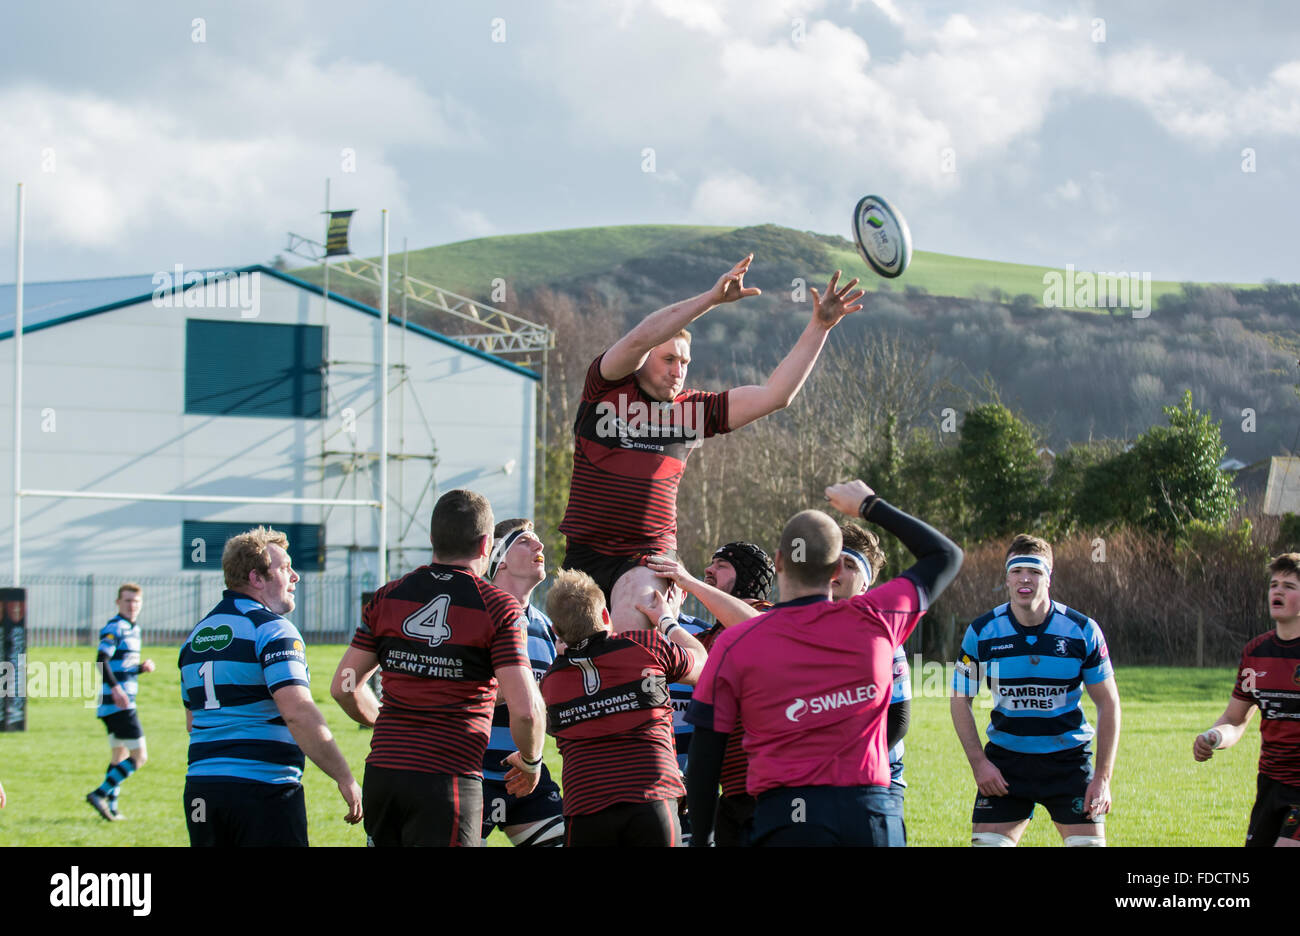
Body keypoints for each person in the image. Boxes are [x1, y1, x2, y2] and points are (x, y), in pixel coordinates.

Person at [560, 255, 865, 633]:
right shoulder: (604, 386)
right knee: (579, 650)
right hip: (586, 552)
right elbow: (641, 337)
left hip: (647, 555)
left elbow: (775, 395)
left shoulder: (693, 410)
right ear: (641, 362)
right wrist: (711, 299)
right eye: (668, 358)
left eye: (685, 362)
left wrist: (820, 326)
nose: (678, 370)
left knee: (631, 628)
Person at [685, 480, 962, 846]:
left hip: (789, 816)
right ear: (836, 572)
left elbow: (705, 758)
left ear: (779, 562)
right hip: (871, 814)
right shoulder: (876, 618)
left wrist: (703, 837)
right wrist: (869, 505)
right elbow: (945, 555)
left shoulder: (736, 642)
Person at [331, 490, 546, 847]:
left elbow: (343, 686)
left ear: (432, 538)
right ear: (485, 546)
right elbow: (526, 712)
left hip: (384, 773)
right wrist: (531, 760)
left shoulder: (387, 597)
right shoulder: (499, 608)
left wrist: (382, 719)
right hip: (447, 776)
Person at [179, 527, 363, 846]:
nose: (295, 577)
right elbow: (297, 713)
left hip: (201, 792)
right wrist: (345, 777)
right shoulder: (273, 630)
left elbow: (193, 722)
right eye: (284, 568)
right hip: (262, 789)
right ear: (257, 578)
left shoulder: (195, 637)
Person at [950, 534, 1121, 847]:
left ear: (1049, 577)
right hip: (1006, 764)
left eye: (1035, 571)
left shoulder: (1082, 631)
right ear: (1007, 578)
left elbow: (1108, 703)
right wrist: (979, 764)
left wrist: (1102, 779)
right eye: (1016, 571)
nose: (1025, 578)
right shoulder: (982, 631)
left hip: (1068, 762)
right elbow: (960, 699)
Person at [541, 569, 707, 846]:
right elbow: (702, 665)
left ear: (556, 630)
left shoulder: (552, 681)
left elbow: (548, 726)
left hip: (585, 809)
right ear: (607, 616)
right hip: (652, 798)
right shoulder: (645, 646)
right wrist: (667, 620)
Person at [649, 541, 774, 845]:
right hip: (734, 793)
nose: (708, 569)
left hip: (773, 789)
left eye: (721, 565)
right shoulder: (708, 637)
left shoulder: (772, 617)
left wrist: (688, 583)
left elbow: (754, 631)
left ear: (748, 577)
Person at [1192, 553, 1300, 847]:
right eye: (1274, 584)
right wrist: (1214, 736)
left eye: (1289, 586)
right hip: (1270, 785)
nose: (1277, 591)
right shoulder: (1255, 653)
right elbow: (1236, 720)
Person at [479, 518, 565, 847]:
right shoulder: (477, 613)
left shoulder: (547, 628)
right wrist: (521, 691)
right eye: (525, 541)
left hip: (528, 773)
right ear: (498, 558)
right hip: (474, 773)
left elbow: (551, 715)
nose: (540, 546)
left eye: (538, 540)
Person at [831, 522, 912, 836]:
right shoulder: (800, 627)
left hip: (878, 778)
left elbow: (899, 718)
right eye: (834, 560)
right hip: (816, 779)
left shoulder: (884, 637)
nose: (838, 569)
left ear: (865, 584)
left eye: (850, 564)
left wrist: (849, 763)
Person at [86, 583, 155, 821]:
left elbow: (120, 666)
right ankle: (99, 794)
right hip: (118, 704)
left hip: (116, 704)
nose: (132, 605)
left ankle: (112, 809)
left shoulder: (133, 629)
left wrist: (140, 668)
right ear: (118, 603)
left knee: (119, 756)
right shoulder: (115, 627)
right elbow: (101, 660)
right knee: (139, 757)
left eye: (136, 601)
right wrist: (116, 689)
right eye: (127, 601)